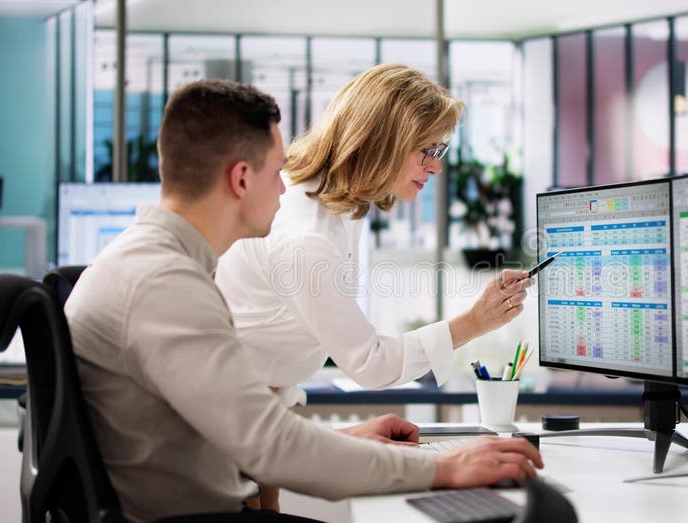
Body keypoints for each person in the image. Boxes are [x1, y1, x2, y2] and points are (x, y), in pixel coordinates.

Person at [64, 79, 542, 522]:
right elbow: (267, 444)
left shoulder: (156, 263)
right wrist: (447, 470)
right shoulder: (167, 283)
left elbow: (242, 433)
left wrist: (339, 442)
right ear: (241, 179)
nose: (286, 186)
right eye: (279, 171)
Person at [215, 63, 533, 408]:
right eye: (427, 150)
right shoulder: (306, 236)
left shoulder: (333, 203)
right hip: (233, 417)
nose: (436, 167)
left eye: (439, 151)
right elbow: (370, 363)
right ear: (382, 144)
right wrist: (475, 321)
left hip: (262, 408)